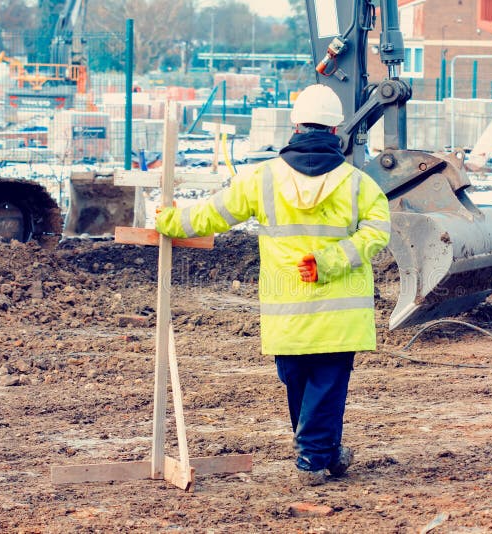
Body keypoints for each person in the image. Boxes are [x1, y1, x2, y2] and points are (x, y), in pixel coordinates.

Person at [155, 84, 391, 486]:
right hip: (341, 314)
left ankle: (319, 452)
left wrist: (170, 221)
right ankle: (315, 459)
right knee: (326, 387)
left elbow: (214, 214)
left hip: (287, 312)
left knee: (300, 384)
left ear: (295, 125)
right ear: (336, 131)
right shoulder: (358, 184)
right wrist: (330, 260)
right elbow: (378, 232)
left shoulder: (262, 179)